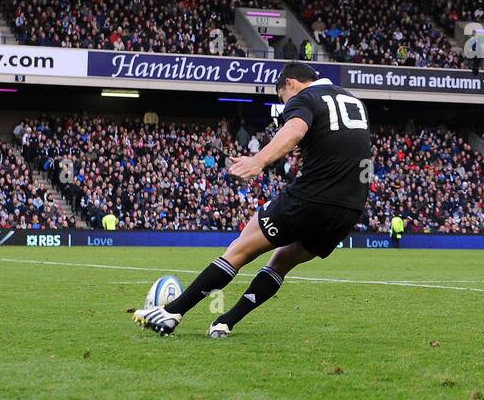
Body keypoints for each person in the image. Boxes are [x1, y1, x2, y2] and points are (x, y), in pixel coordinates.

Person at [133, 62, 371, 337]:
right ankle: (224, 322)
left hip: (311, 198)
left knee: (239, 250)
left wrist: (259, 160)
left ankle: (172, 312)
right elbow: (345, 145)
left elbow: (294, 130)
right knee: (281, 263)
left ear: (290, 83)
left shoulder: (305, 97)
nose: (285, 103)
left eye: (283, 98)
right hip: (350, 208)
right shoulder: (352, 100)